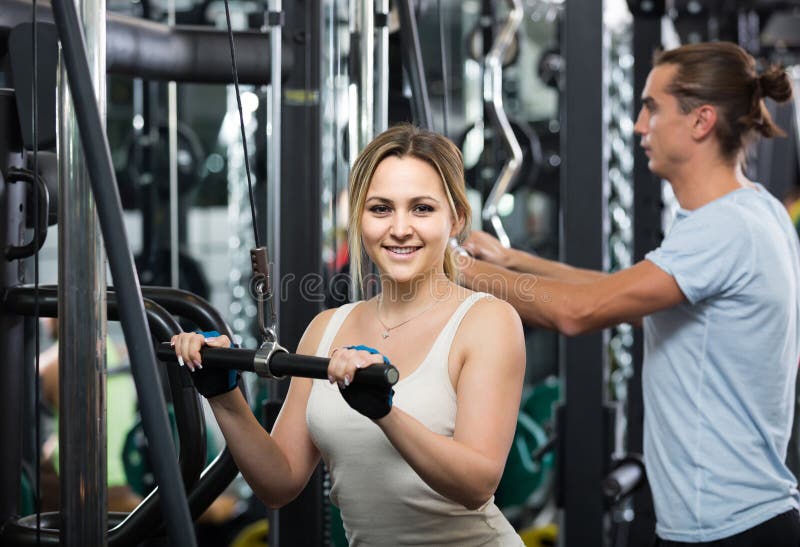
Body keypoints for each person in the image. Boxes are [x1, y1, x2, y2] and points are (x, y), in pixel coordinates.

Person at [459, 42, 800, 546]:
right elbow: (619, 296)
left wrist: (457, 269)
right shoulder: (752, 211)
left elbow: (579, 312)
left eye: (652, 107)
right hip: (734, 522)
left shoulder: (725, 228)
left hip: (729, 531)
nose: (640, 126)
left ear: (701, 121)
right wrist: (512, 261)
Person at [172, 124, 526, 545]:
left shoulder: (488, 322)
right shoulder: (327, 329)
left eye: (422, 209)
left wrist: (385, 413)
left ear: (456, 219)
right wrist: (222, 395)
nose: (399, 228)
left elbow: (476, 485)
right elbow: (279, 481)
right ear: (359, 218)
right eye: (380, 208)